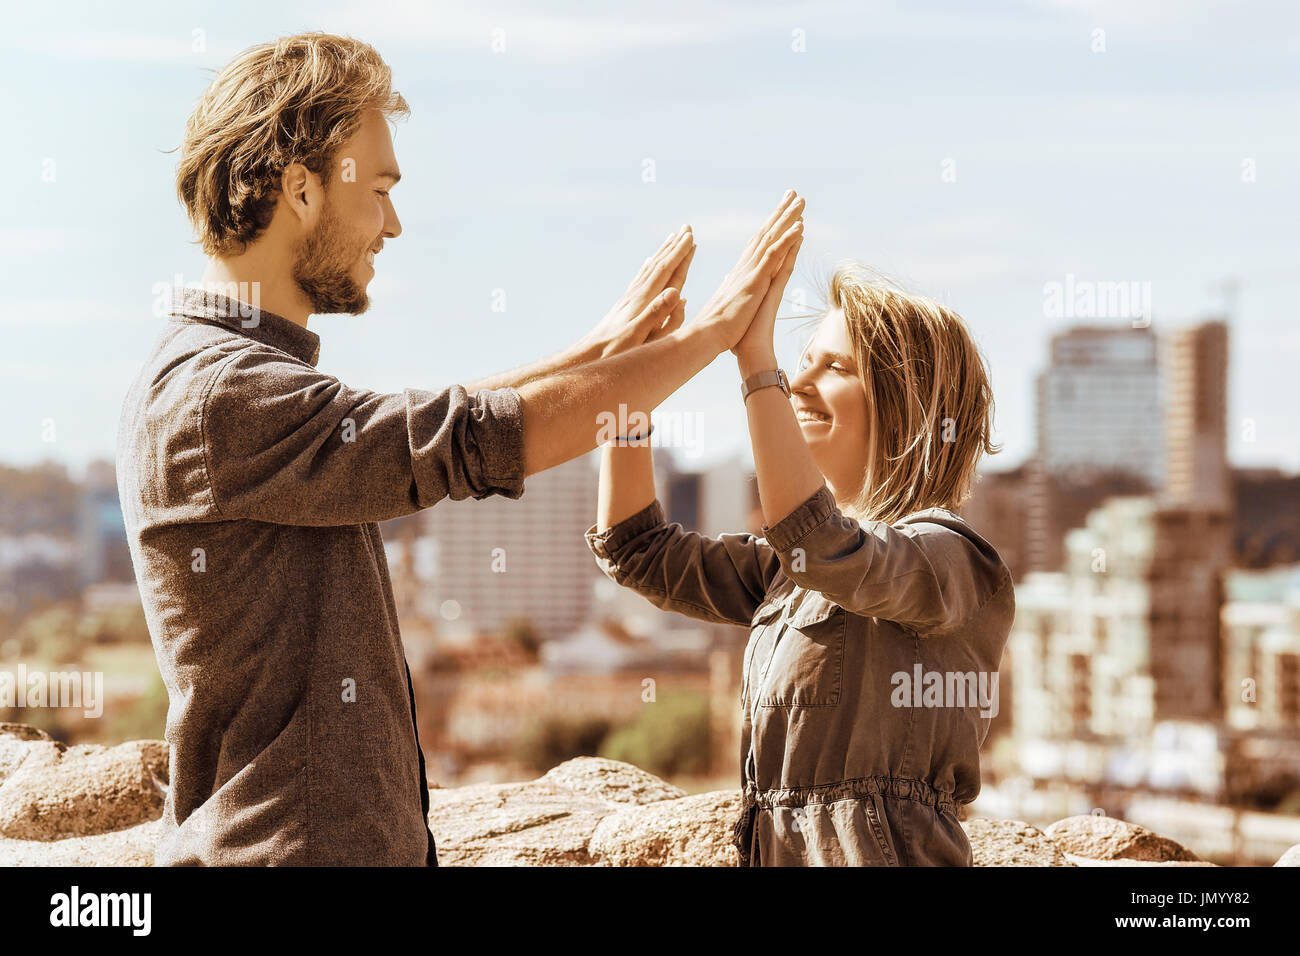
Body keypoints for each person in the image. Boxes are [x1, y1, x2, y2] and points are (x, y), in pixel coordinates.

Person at [116, 30, 803, 865]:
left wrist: (602, 354)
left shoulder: (224, 375)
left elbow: (441, 419)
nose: (393, 223)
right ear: (300, 188)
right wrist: (714, 339)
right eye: (376, 189)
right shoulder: (223, 393)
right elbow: (467, 439)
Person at [587, 256, 1015, 865]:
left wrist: (754, 364)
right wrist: (629, 383)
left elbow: (822, 545)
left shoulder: (953, 559)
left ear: (905, 402)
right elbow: (640, 551)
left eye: (835, 365)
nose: (797, 380)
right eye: (801, 360)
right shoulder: (789, 570)